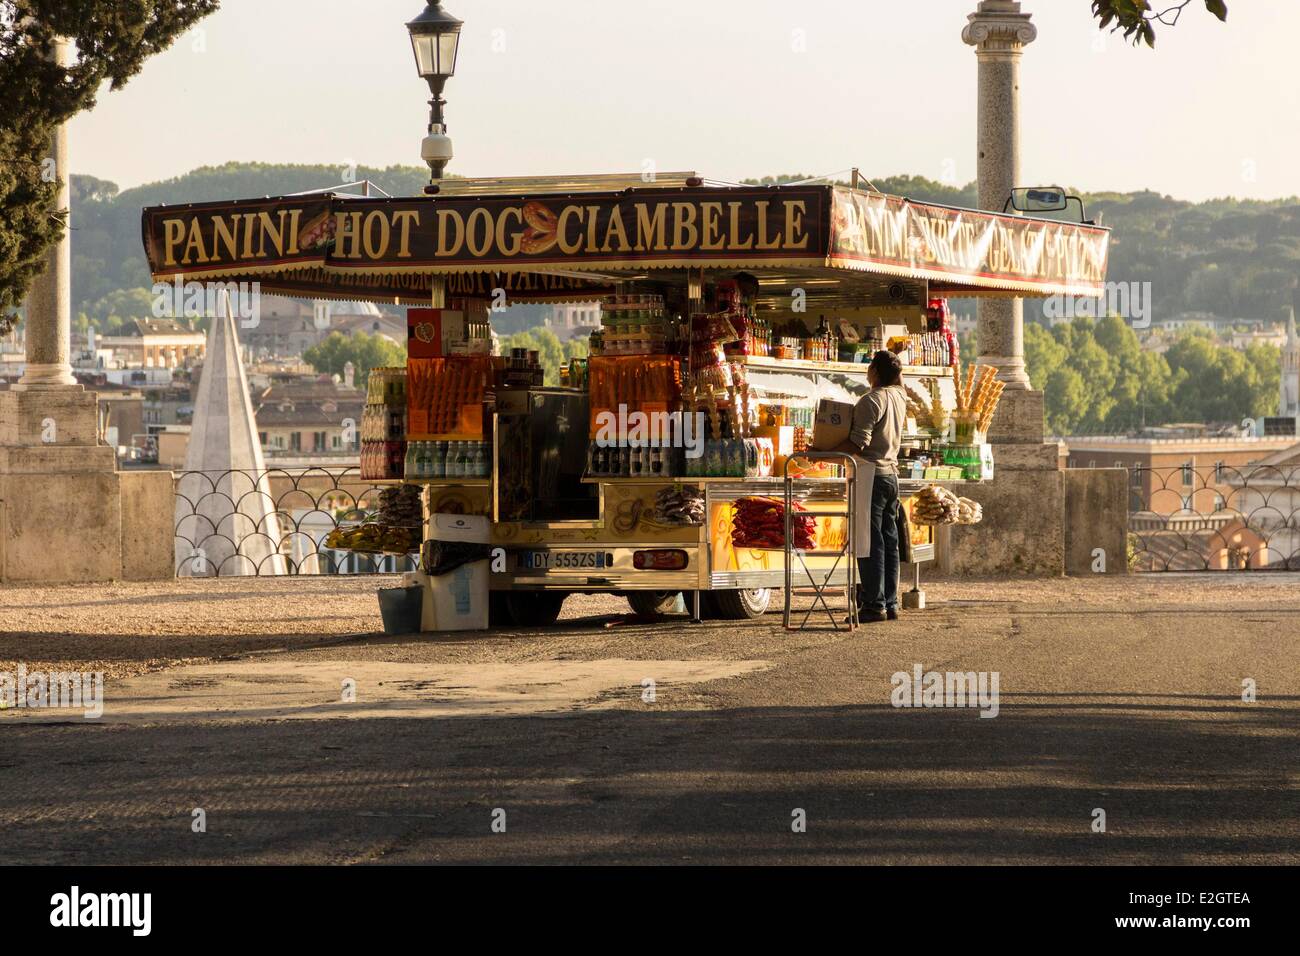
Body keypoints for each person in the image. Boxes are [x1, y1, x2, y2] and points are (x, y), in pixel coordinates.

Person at [840, 350, 906, 622]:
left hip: (872, 475)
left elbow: (858, 443)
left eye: (869, 367)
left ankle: (873, 604)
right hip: (891, 474)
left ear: (875, 372)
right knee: (889, 541)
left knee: (870, 542)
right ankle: (890, 603)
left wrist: (822, 451)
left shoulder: (871, 400)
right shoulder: (899, 396)